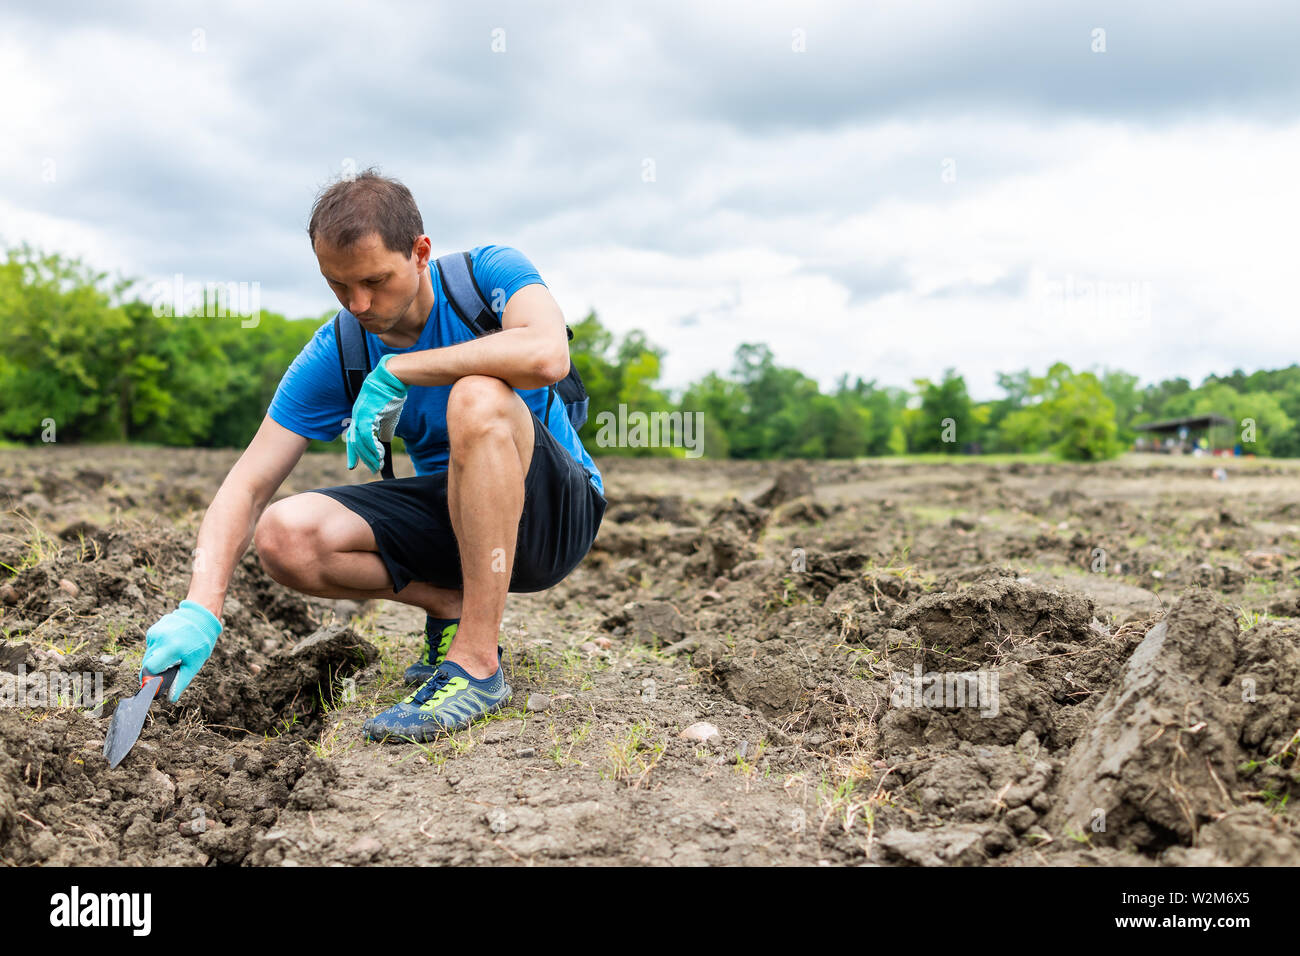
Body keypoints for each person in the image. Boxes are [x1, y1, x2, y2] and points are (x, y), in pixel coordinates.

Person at [137, 170, 606, 742]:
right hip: (462, 520)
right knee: (286, 533)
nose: (358, 303)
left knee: (477, 396)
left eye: (374, 280)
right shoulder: (339, 350)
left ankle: (478, 664)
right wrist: (200, 606)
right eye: (338, 285)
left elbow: (547, 353)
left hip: (556, 514)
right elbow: (249, 485)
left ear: (420, 252)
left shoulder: (486, 275)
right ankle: (449, 606)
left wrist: (401, 368)